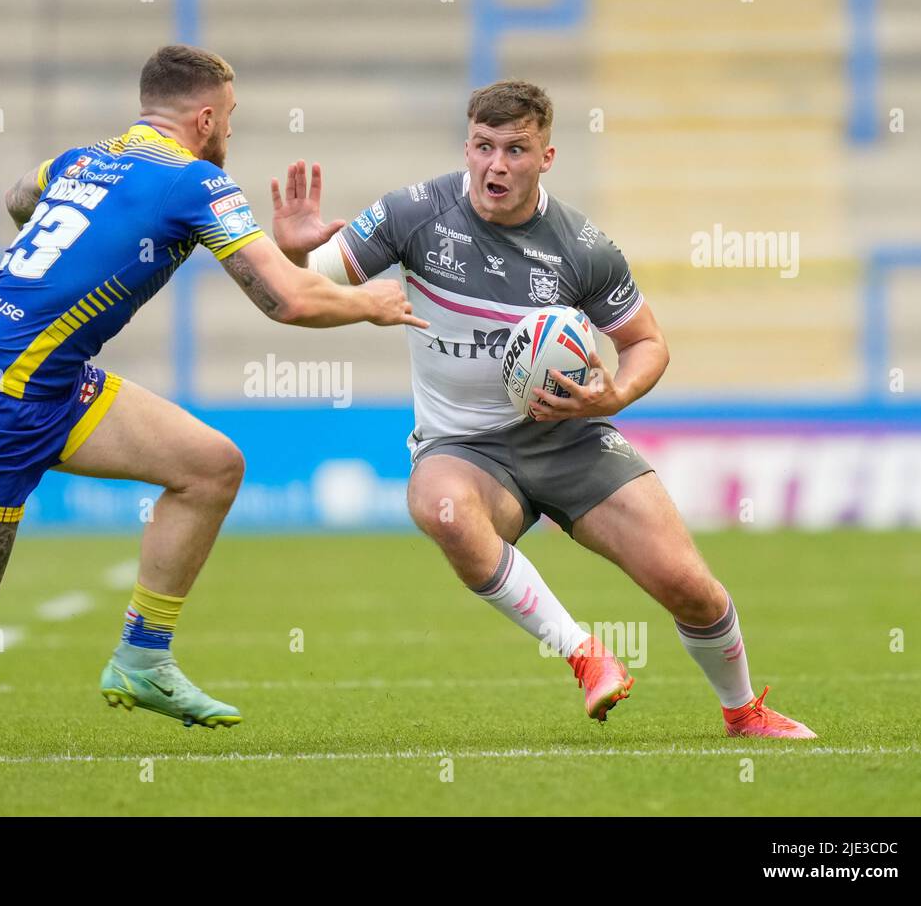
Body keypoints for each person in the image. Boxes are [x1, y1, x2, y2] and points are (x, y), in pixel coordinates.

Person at [0, 44, 424, 755]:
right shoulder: (197, 183)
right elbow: (285, 303)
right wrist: (366, 304)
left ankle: (143, 659)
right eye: (228, 118)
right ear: (204, 117)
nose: (228, 132)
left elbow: (19, 196)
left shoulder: (79, 161)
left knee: (210, 466)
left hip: (51, 385)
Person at [268, 79, 815, 738]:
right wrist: (296, 251)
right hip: (464, 450)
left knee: (689, 586)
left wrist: (615, 394)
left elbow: (644, 343)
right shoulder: (413, 213)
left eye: (516, 150)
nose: (496, 165)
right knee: (439, 507)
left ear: (546, 158)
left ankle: (743, 712)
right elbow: (295, 297)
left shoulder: (582, 247)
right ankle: (586, 656)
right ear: (467, 145)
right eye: (483, 146)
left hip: (569, 439)